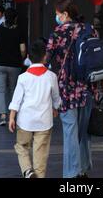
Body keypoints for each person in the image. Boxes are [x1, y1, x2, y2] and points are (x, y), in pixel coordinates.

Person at [46, 0, 103, 179]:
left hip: (66, 90)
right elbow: (100, 60)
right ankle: (82, 169)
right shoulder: (89, 30)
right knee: (83, 132)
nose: (56, 17)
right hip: (88, 88)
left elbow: (46, 58)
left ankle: (71, 173)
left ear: (65, 14)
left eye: (58, 14)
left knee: (70, 131)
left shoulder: (57, 33)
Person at [8, 39, 61, 179]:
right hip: (44, 121)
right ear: (45, 57)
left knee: (21, 146)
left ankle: (27, 170)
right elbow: (56, 98)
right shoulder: (51, 77)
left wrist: (12, 117)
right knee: (41, 153)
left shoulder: (23, 77)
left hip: (25, 121)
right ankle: (38, 175)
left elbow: (16, 100)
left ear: (28, 58)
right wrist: (55, 108)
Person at [0, 8, 26, 126]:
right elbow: (23, 49)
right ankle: (13, 115)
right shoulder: (19, 31)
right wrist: (22, 58)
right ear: (15, 18)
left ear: (4, 16)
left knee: (1, 90)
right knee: (13, 89)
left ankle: (3, 116)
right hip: (14, 64)